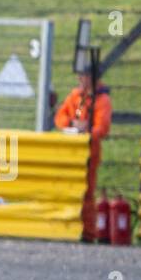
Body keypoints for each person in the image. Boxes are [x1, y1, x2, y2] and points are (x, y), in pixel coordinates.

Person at [55, 71, 111, 239]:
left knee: (87, 192)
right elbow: (60, 117)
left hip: (89, 152)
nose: (80, 80)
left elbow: (102, 127)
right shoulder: (75, 96)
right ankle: (66, 229)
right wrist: (72, 123)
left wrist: (86, 129)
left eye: (84, 76)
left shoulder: (102, 100)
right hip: (70, 151)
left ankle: (88, 232)